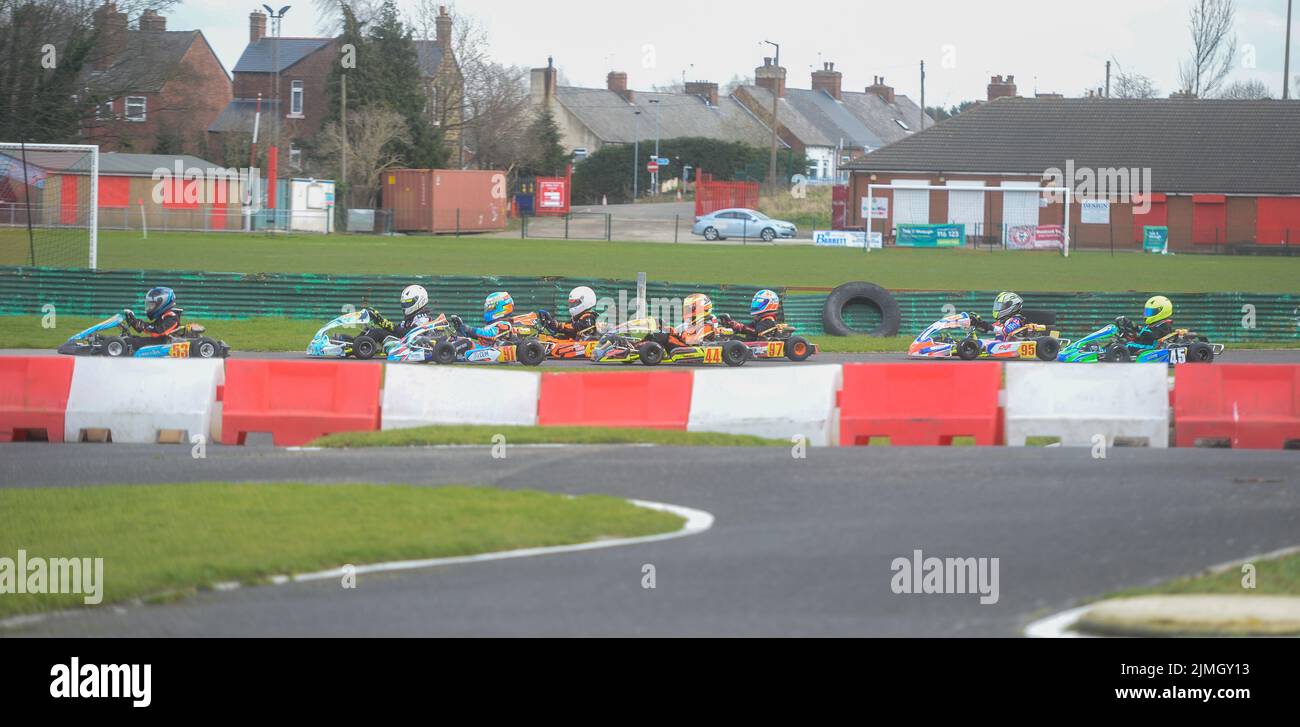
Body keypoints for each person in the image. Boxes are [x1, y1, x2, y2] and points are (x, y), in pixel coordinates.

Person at [368, 285, 435, 339]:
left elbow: (408, 333)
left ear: (420, 301)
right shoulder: (410, 317)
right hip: (404, 342)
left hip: (415, 345)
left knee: (378, 333)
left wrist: (386, 324)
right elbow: (398, 330)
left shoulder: (423, 318)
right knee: (371, 330)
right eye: (404, 303)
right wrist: (382, 322)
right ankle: (360, 345)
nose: (405, 306)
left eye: (408, 303)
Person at [664, 293, 729, 347]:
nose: (687, 311)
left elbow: (694, 340)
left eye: (691, 309)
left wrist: (679, 335)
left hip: (696, 347)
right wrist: (671, 331)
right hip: (687, 345)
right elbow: (678, 331)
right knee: (665, 335)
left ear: (703, 308)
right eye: (686, 309)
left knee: (670, 339)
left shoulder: (708, 325)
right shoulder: (690, 324)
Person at [450, 291, 515, 345]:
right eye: (488, 307)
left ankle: (449, 350)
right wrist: (462, 330)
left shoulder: (505, 324)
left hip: (495, 350)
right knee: (463, 340)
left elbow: (489, 335)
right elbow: (481, 338)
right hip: (485, 348)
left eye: (491, 307)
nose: (488, 310)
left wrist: (469, 329)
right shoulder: (492, 325)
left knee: (467, 343)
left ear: (502, 307)